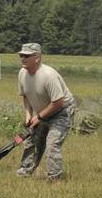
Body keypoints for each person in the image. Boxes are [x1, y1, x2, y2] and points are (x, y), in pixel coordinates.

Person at [16, 43, 76, 182]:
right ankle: (25, 172)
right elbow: (25, 96)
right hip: (41, 112)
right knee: (32, 141)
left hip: (61, 112)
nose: (23, 58)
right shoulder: (22, 73)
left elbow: (58, 102)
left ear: (37, 57)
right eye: (21, 55)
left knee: (52, 144)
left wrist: (39, 117)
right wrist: (29, 115)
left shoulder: (48, 75)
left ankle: (54, 179)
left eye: (27, 56)